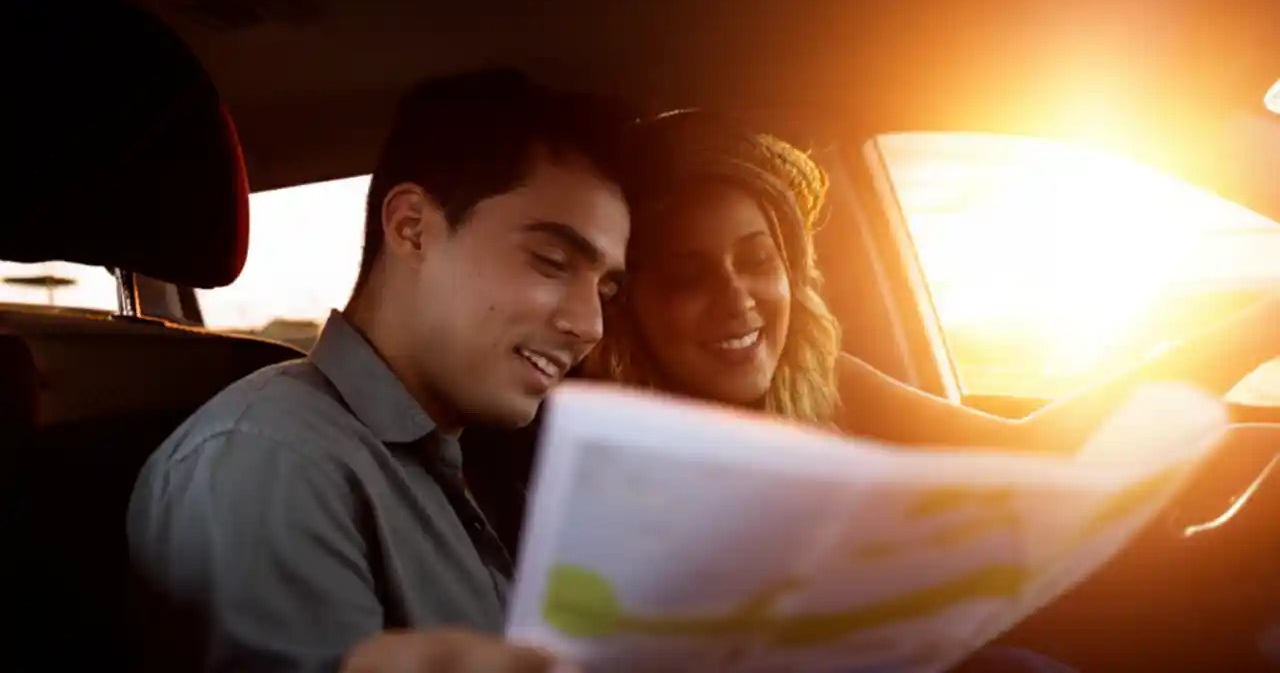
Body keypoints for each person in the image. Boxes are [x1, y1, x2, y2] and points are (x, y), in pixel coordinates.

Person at [127, 68, 630, 672]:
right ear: (412, 229)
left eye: (605, 288)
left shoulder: (480, 462)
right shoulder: (273, 459)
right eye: (551, 262)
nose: (590, 323)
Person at [586, 108, 1280, 453]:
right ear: (627, 301)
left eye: (759, 261)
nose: (738, 298)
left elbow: (1030, 454)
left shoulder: (822, 380)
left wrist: (1262, 325)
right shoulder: (594, 442)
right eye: (687, 278)